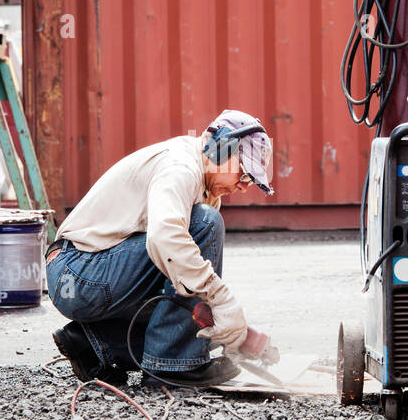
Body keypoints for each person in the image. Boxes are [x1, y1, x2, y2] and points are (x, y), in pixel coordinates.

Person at [45, 110, 274, 387]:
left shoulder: (206, 187)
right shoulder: (180, 167)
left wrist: (235, 332)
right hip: (77, 275)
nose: (243, 185)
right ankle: (172, 367)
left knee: (200, 330)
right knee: (204, 225)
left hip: (85, 277)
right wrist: (222, 299)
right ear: (220, 148)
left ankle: (94, 344)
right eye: (243, 173)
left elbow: (184, 286)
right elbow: (165, 237)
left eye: (250, 180)